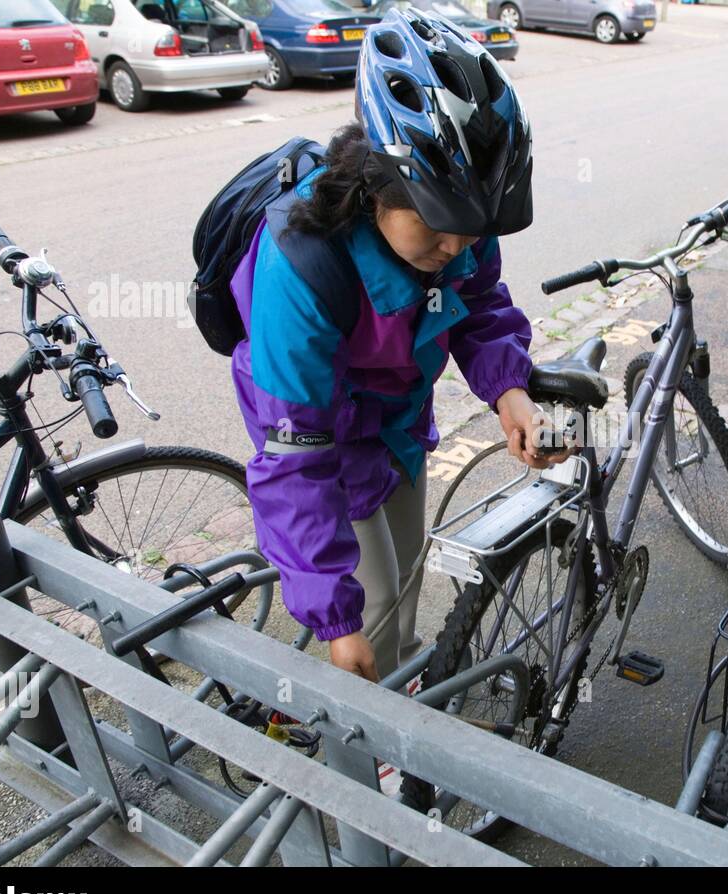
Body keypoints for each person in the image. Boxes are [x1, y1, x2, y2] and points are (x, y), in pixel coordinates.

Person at [228, 6, 567, 685]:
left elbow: (477, 306)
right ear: (378, 189)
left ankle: (394, 680)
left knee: (406, 569)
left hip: (398, 423)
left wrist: (510, 392)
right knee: (368, 608)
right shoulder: (302, 268)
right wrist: (336, 620)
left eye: (473, 233)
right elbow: (294, 459)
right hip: (320, 434)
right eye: (439, 231)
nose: (457, 250)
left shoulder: (462, 214)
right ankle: (356, 748)